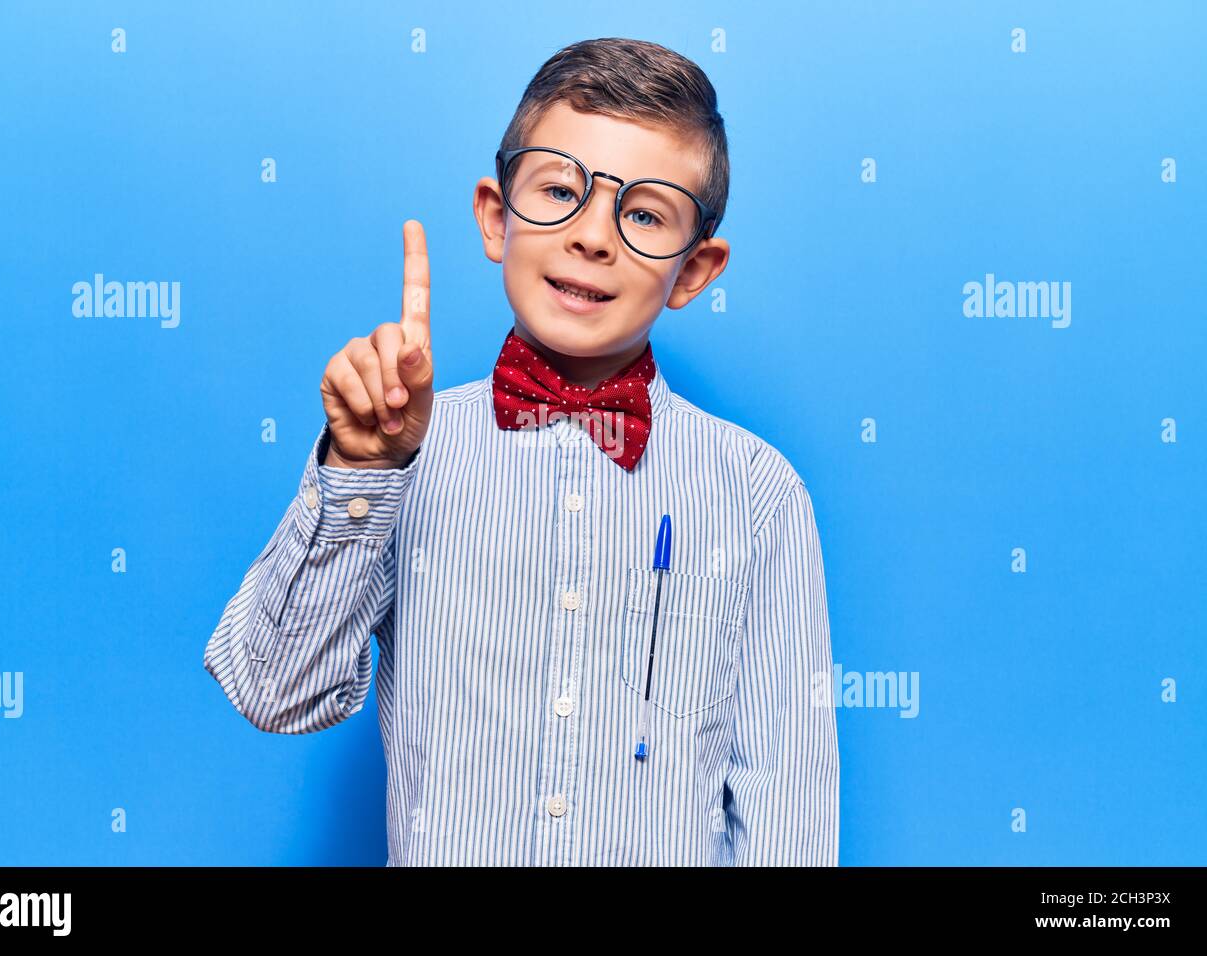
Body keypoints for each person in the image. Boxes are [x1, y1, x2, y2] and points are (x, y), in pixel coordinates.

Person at [204, 36, 838, 866]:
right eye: (560, 191)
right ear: (496, 216)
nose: (592, 237)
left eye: (644, 213)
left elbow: (786, 803)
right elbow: (273, 691)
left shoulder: (758, 493)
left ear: (694, 270)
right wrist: (363, 473)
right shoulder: (404, 452)